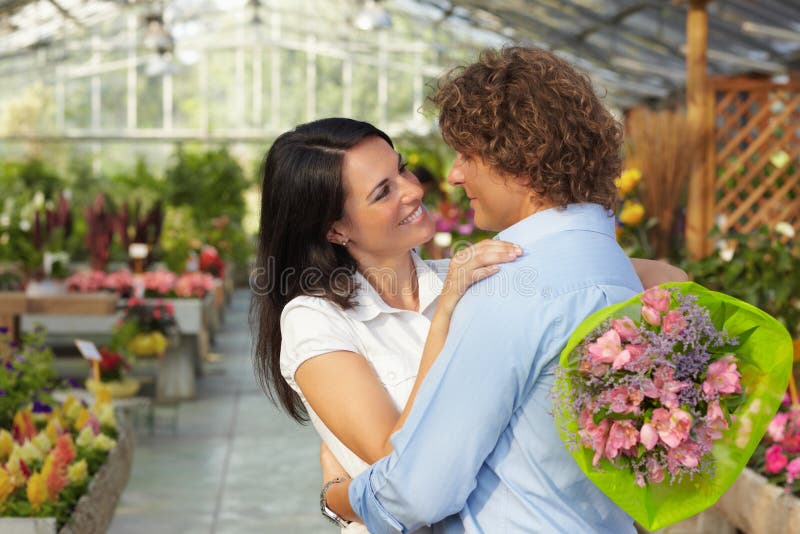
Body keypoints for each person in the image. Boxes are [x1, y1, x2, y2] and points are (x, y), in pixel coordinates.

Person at [251, 119, 686, 531]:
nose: (412, 190)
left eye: (401, 169)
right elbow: (403, 467)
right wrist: (444, 318)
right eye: (383, 191)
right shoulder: (314, 319)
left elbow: (666, 277)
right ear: (336, 230)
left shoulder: (462, 274)